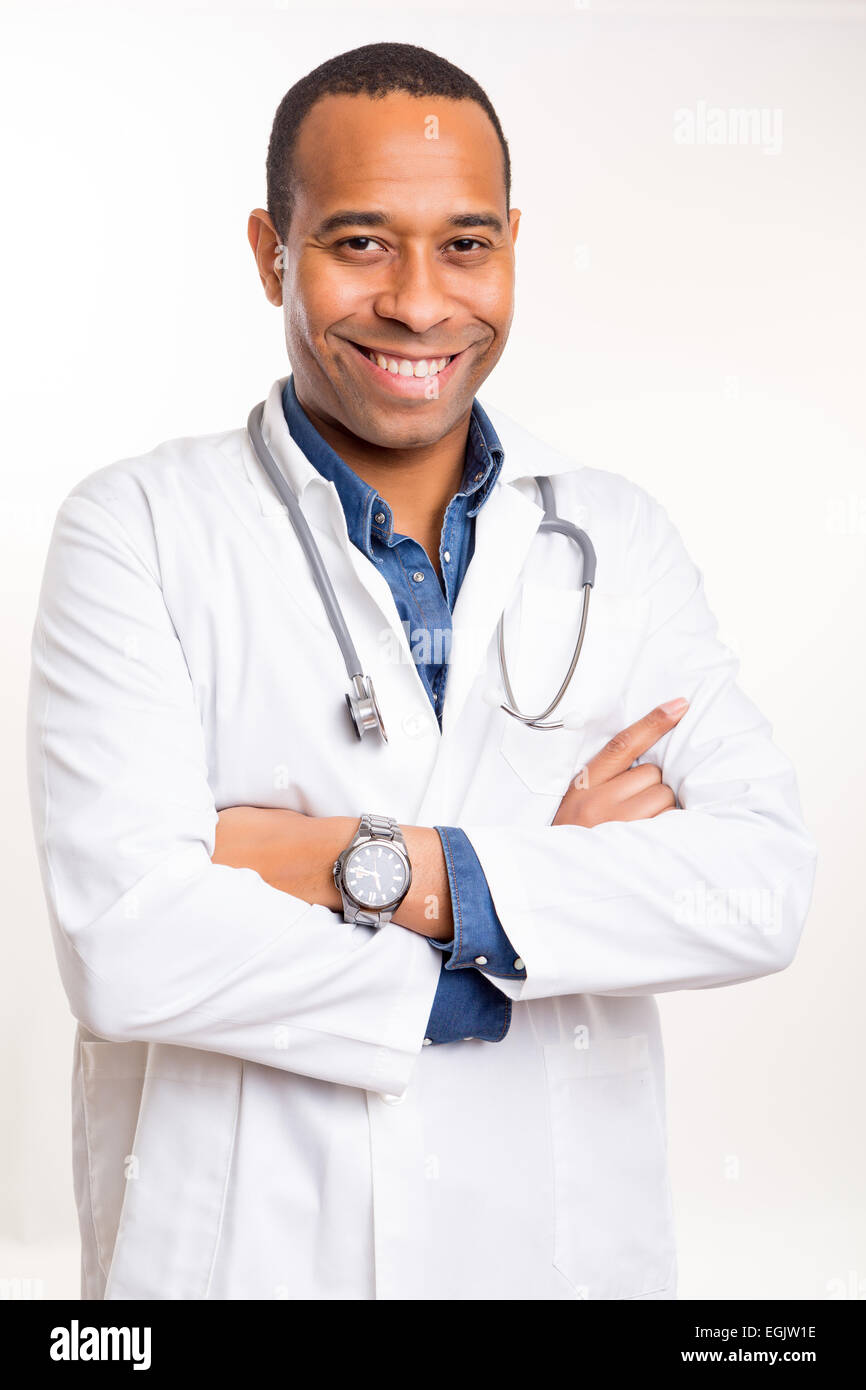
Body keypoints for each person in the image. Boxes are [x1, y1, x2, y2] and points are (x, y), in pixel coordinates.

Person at [26, 41, 817, 1301]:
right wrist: (540, 898)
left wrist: (331, 857)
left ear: (510, 241)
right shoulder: (136, 530)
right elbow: (129, 943)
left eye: (462, 244)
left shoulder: (615, 535)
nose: (416, 302)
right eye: (357, 243)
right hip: (250, 1256)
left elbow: (757, 888)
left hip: (561, 1254)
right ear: (267, 250)